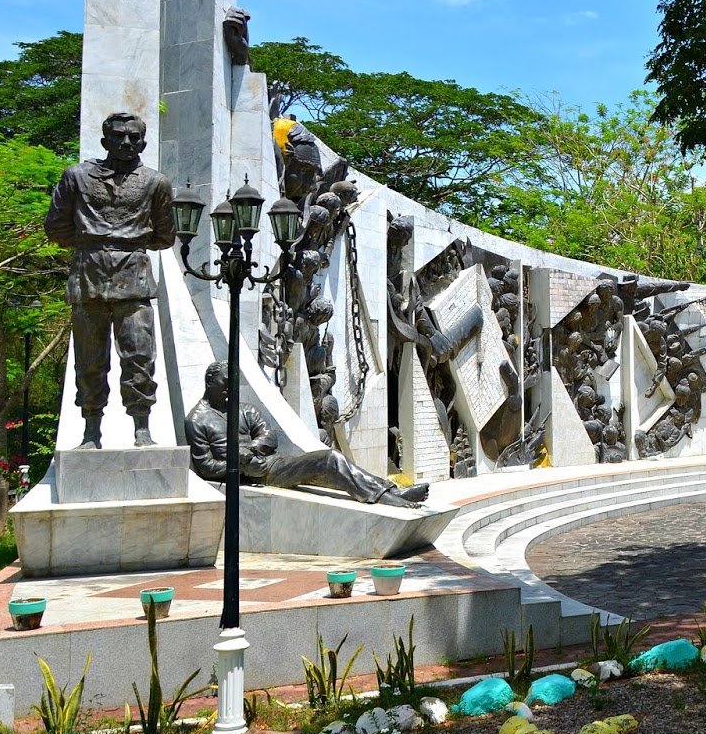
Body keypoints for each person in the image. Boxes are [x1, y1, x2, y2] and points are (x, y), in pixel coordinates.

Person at [44, 112, 174, 448]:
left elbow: (165, 235)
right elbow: (55, 226)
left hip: (134, 277)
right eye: (118, 136)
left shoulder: (155, 183)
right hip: (88, 277)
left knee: (140, 356)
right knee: (89, 360)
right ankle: (90, 432)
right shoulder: (76, 176)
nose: (126, 142)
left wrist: (122, 246)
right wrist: (92, 246)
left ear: (143, 142)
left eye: (133, 137)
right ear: (105, 141)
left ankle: (142, 429)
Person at [186, 361, 430, 508]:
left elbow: (269, 437)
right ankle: (385, 496)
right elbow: (205, 466)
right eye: (225, 382)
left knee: (334, 468)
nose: (230, 388)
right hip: (256, 475)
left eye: (234, 382)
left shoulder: (243, 409)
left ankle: (390, 491)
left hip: (273, 464)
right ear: (210, 381)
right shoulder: (197, 420)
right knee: (330, 459)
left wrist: (250, 451)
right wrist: (240, 465)